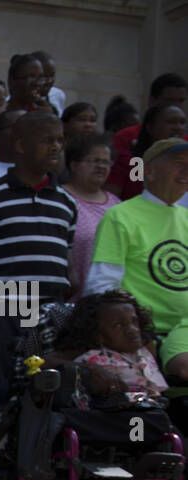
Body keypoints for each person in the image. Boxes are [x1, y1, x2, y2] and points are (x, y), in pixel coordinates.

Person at [0, 110, 76, 480]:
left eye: (60, 140)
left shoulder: (67, 203)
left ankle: (34, 472)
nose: (56, 147)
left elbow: (64, 259)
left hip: (49, 311)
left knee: (45, 389)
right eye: (47, 140)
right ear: (20, 145)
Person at [86, 139, 188, 332]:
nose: (186, 171)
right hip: (144, 334)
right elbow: (102, 285)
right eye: (178, 163)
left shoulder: (186, 217)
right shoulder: (120, 216)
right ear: (149, 172)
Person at [60, 291, 168, 404]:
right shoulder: (92, 358)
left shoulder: (144, 349)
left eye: (134, 321)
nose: (133, 330)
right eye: (119, 325)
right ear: (97, 334)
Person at [61, 135, 120, 302]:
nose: (101, 166)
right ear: (74, 165)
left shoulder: (117, 204)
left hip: (110, 303)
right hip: (69, 300)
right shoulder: (59, 199)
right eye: (94, 161)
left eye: (106, 162)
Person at [107, 73, 186, 185]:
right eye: (169, 100)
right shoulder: (125, 139)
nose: (176, 106)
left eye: (181, 101)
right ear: (152, 100)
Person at [108, 102, 187, 200]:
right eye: (171, 122)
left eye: (182, 122)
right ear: (150, 127)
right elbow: (110, 199)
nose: (178, 128)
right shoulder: (129, 160)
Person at [31, 50, 65, 115]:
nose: (49, 81)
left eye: (52, 75)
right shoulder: (15, 100)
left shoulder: (57, 94)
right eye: (44, 76)